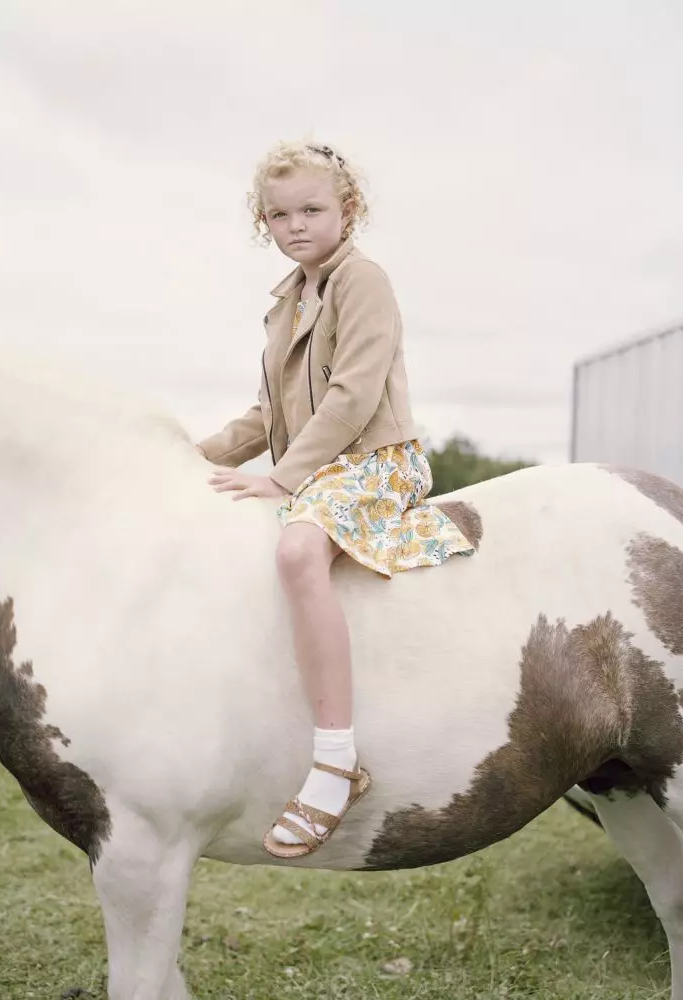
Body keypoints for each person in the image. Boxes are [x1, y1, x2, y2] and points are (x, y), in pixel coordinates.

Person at [196, 141, 473, 859]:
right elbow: (266, 416)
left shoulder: (363, 281)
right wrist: (190, 458)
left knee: (297, 546)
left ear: (348, 211)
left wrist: (284, 480)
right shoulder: (286, 301)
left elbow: (352, 396)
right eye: (279, 214)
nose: (296, 225)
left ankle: (335, 759)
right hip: (319, 464)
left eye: (312, 209)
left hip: (374, 460)